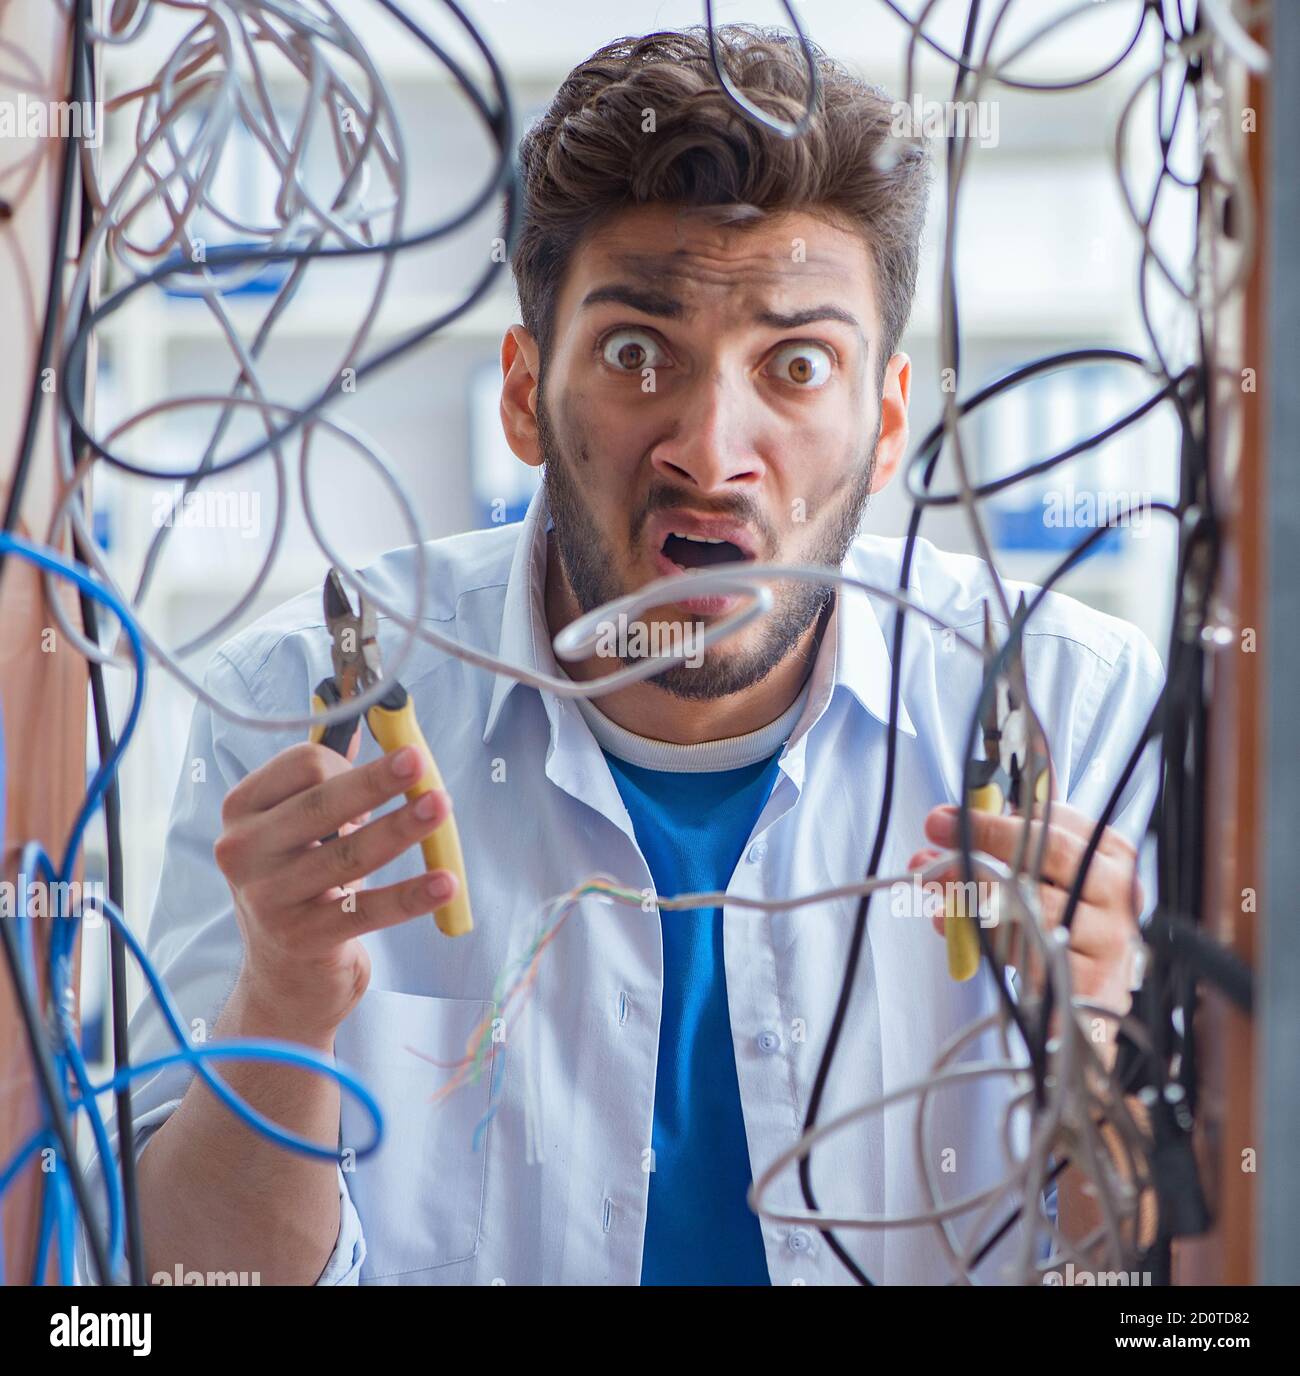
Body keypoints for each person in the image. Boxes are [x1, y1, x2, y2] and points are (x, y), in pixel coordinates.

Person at [81, 26, 1162, 1286]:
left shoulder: (1080, 713)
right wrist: (281, 1003)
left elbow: (1181, 1293)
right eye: (637, 352)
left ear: (881, 424)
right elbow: (168, 1296)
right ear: (526, 389)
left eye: (795, 364)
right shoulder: (297, 713)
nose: (710, 448)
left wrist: (1102, 1049)